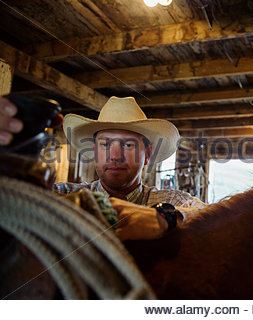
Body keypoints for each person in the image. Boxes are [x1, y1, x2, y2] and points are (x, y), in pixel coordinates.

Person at [0, 96, 206, 240]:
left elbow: (206, 214)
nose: (115, 156)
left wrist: (166, 217)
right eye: (105, 145)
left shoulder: (172, 201)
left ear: (148, 155)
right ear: (94, 151)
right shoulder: (64, 194)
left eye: (128, 145)